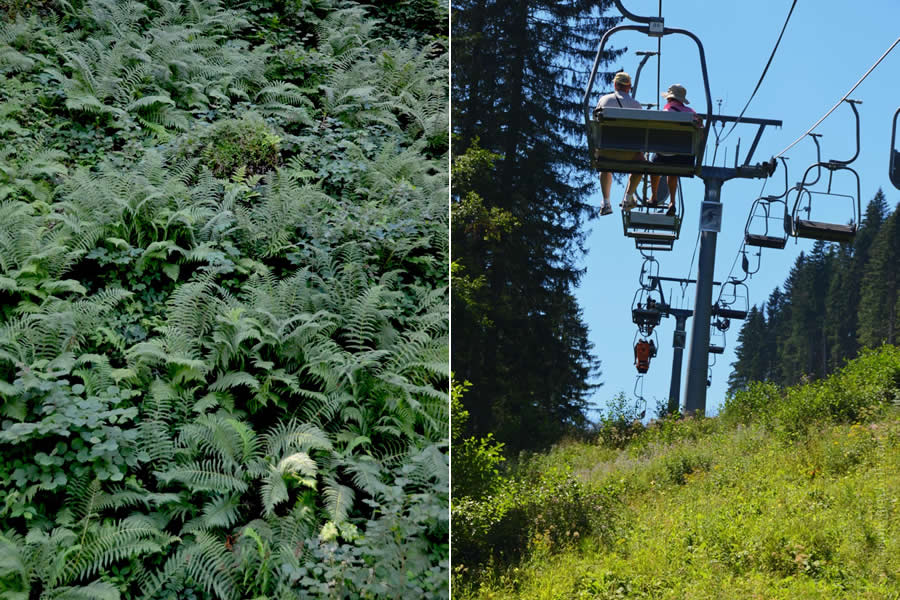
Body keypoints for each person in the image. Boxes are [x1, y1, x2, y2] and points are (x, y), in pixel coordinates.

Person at [594, 71, 644, 216]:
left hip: (605, 152)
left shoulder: (604, 100)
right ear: (629, 87)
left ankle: (606, 202)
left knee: (605, 166)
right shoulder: (636, 105)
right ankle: (628, 198)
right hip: (629, 155)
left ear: (615, 85)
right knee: (641, 165)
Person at [649, 84, 702, 216]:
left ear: (669, 99)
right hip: (683, 157)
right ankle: (672, 201)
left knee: (653, 163)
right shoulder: (691, 113)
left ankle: (654, 196)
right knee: (673, 171)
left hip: (663, 155)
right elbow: (700, 133)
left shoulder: (665, 113)